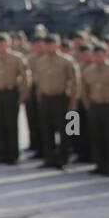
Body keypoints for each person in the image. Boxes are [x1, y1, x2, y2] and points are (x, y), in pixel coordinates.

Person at [33, 35, 81, 169]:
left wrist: (73, 103)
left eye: (52, 44)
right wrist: (39, 99)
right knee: (46, 129)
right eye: (47, 44)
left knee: (63, 130)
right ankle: (49, 158)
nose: (49, 47)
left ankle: (63, 159)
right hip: (45, 99)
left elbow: (75, 83)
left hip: (61, 99)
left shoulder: (67, 61)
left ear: (58, 44)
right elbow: (38, 82)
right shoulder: (41, 61)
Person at [0, 33, 30, 165]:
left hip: (11, 93)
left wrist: (23, 95)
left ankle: (13, 154)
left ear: (9, 44)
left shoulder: (17, 58)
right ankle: (2, 154)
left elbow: (25, 76)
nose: (0, 46)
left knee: (11, 124)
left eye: (3, 43)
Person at [81, 41, 109, 175]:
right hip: (95, 106)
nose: (98, 57)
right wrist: (88, 105)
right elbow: (84, 90)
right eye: (96, 55)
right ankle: (99, 164)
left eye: (101, 54)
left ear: (107, 54)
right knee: (96, 136)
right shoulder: (88, 71)